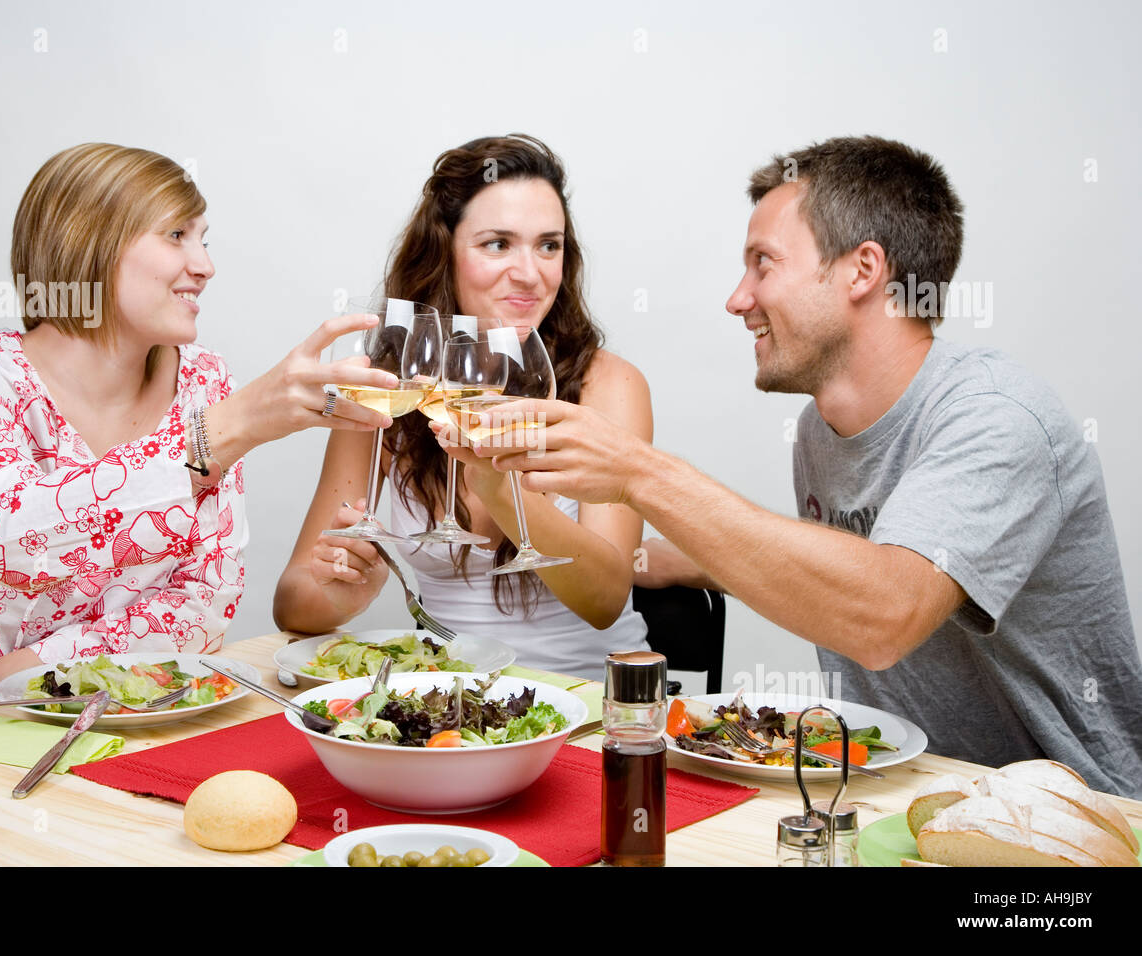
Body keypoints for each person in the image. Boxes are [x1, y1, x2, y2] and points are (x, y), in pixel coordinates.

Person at [464, 135, 1142, 798]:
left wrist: (641, 473)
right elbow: (860, 559)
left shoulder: (996, 417)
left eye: (763, 263)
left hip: (1074, 818)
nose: (738, 298)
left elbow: (882, 615)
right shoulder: (823, 426)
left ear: (862, 270)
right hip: (899, 795)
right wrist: (679, 559)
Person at [0, 143, 396, 726]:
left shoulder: (203, 384)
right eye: (177, 235)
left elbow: (203, 596)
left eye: (204, 238)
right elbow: (8, 542)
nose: (205, 265)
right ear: (89, 243)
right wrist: (228, 429)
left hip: (113, 723)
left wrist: (41, 666)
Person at [275, 134, 651, 680]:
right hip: (448, 706)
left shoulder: (609, 384)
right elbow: (291, 605)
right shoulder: (387, 387)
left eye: (549, 245)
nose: (531, 272)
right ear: (443, 252)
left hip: (589, 705)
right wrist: (342, 594)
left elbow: (606, 599)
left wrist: (502, 492)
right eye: (498, 244)